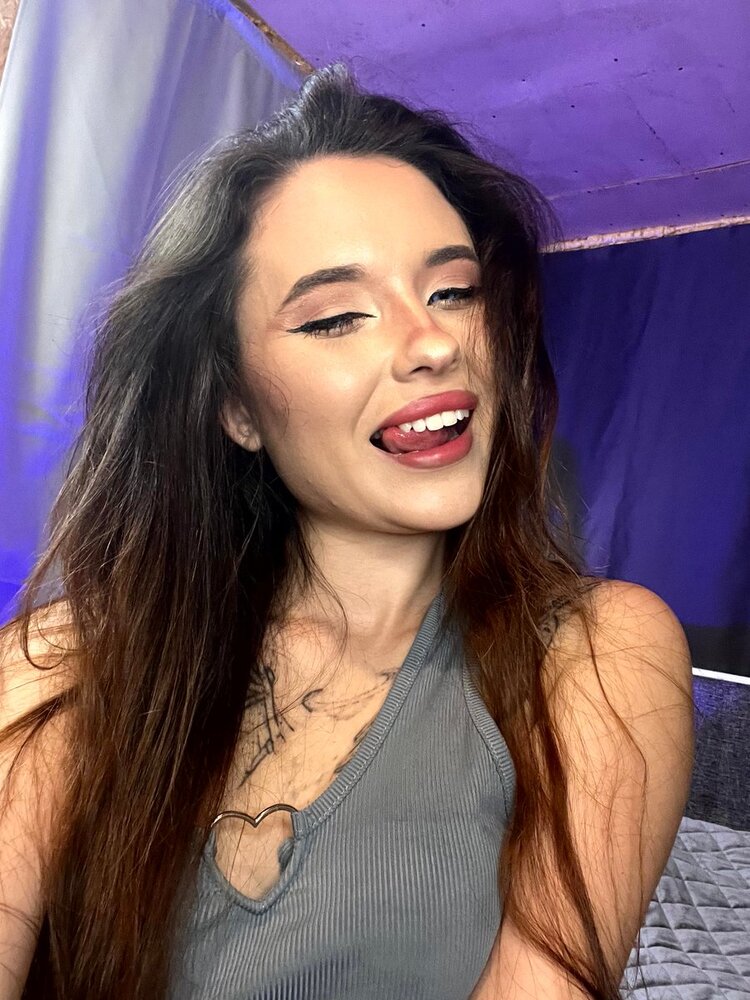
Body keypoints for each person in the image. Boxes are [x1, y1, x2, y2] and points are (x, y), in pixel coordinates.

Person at [0, 62, 694, 1000]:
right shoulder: (63, 666)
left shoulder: (597, 653)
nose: (435, 343)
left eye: (454, 292)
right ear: (236, 407)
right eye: (336, 318)